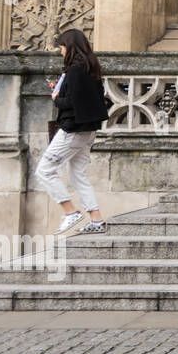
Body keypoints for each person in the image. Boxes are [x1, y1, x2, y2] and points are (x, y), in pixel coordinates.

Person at [39, 29, 110, 235]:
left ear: (69, 47)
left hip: (73, 129)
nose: (60, 52)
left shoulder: (75, 70)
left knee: (44, 170)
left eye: (61, 47)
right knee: (77, 174)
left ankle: (70, 212)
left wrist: (56, 98)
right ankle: (96, 220)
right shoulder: (90, 67)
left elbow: (72, 102)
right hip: (87, 130)